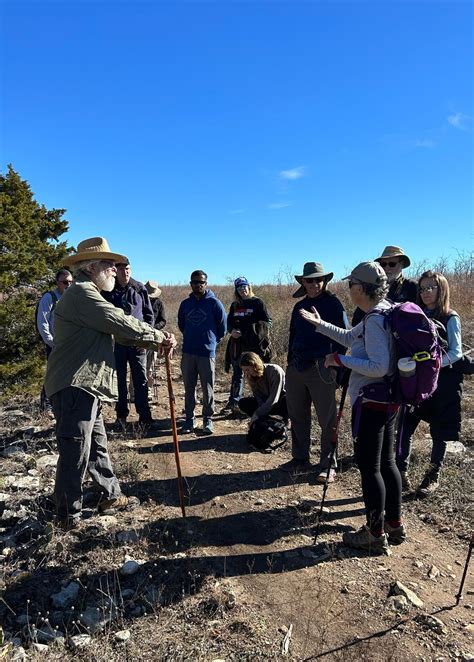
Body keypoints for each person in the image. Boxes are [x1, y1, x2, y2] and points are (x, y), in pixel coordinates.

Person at [44, 237, 176, 530]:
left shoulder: (87, 293)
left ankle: (110, 495)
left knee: (97, 446)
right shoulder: (82, 294)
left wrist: (156, 342)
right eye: (109, 264)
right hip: (73, 385)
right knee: (75, 451)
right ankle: (67, 516)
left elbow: (120, 332)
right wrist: (159, 337)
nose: (115, 270)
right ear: (92, 267)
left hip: (85, 385)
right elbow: (118, 321)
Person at [300, 261, 404, 553]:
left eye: (352, 284)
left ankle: (374, 532)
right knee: (387, 463)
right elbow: (348, 337)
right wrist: (319, 325)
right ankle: (394, 524)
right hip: (388, 400)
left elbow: (379, 366)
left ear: (363, 288)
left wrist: (340, 361)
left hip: (372, 401)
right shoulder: (381, 311)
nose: (348, 289)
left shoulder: (374, 320)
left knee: (371, 468)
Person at [396, 271, 464, 496]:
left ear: (441, 290)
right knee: (405, 425)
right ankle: (400, 472)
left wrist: (432, 365)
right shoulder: (416, 315)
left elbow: (457, 352)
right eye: (422, 288)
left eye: (430, 288)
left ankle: (432, 476)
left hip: (442, 383)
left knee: (439, 431)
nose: (425, 292)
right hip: (417, 382)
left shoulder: (451, 317)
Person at [283, 262, 348, 483]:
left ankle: (328, 464)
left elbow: (345, 338)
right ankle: (300, 458)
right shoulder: (298, 306)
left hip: (323, 366)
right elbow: (293, 336)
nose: (314, 284)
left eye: (318, 279)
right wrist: (290, 362)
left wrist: (337, 366)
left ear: (325, 281)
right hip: (297, 366)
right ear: (303, 282)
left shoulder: (333, 304)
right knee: (297, 414)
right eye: (309, 280)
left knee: (327, 418)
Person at [102, 260, 156, 428]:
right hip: (116, 342)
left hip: (137, 343)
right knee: (119, 380)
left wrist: (146, 340)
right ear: (114, 271)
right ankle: (121, 415)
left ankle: (145, 416)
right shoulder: (108, 290)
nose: (124, 272)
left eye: (127, 269)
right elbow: (102, 315)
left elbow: (149, 316)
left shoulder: (139, 288)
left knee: (140, 379)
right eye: (120, 269)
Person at [178, 270, 227, 435]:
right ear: (190, 284)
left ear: (206, 284)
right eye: (195, 282)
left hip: (207, 353)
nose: (198, 285)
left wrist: (211, 342)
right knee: (189, 387)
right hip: (188, 351)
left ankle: (207, 418)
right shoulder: (185, 304)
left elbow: (222, 328)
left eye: (201, 282)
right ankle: (190, 419)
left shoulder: (214, 303)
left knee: (208, 388)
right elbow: (181, 325)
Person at [222, 276, 272, 415]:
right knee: (237, 374)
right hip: (237, 345)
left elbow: (268, 322)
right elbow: (229, 322)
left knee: (258, 374)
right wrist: (231, 331)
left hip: (254, 347)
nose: (242, 289)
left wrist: (253, 331)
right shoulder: (235, 305)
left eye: (244, 286)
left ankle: (263, 403)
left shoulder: (258, 303)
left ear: (249, 287)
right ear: (236, 290)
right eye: (239, 287)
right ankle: (234, 403)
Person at [36, 268, 73, 414]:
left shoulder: (70, 298)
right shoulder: (49, 298)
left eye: (71, 282)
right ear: (57, 283)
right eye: (65, 282)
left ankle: (62, 404)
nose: (68, 285)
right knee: (53, 374)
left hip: (68, 344)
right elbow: (42, 322)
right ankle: (46, 406)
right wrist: (51, 342)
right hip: (54, 344)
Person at [352, 245, 417, 326]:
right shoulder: (373, 286)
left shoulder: (412, 287)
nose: (387, 268)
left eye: (392, 264)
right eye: (383, 264)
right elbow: (357, 319)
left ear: (402, 264)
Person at [238, 351, 288, 423]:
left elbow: (274, 398)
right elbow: (259, 398)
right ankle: (267, 422)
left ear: (255, 365)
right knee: (243, 403)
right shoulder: (251, 377)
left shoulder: (274, 371)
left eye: (247, 370)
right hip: (266, 402)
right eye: (244, 370)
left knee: (287, 400)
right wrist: (260, 414)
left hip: (279, 402)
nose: (246, 373)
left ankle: (284, 422)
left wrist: (257, 414)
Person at [145, 279, 167, 397]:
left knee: (150, 365)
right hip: (139, 337)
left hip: (154, 337)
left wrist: (154, 329)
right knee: (137, 365)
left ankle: (148, 390)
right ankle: (134, 392)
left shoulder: (159, 303)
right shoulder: (139, 300)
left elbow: (163, 320)